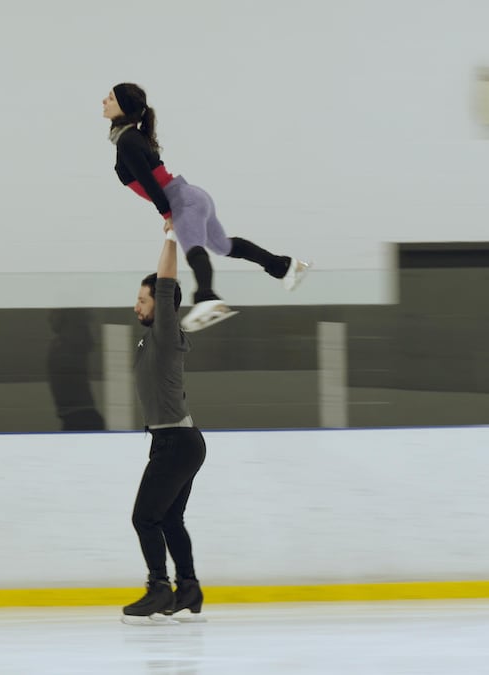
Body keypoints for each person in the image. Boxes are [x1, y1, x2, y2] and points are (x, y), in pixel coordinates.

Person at [103, 82, 310, 332]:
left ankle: (207, 297)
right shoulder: (129, 137)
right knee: (223, 246)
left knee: (195, 249)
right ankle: (286, 267)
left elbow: (148, 181)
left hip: (182, 201)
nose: (104, 101)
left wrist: (168, 214)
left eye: (111, 98)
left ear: (124, 107)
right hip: (191, 196)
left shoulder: (127, 140)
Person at [122, 227, 207, 624]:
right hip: (176, 440)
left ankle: (159, 588)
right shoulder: (154, 341)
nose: (136, 306)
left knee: (145, 517)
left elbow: (168, 282)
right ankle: (187, 588)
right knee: (169, 518)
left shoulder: (166, 333)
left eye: (142, 300)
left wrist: (171, 235)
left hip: (177, 441)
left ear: (162, 305)